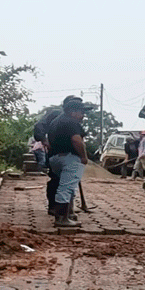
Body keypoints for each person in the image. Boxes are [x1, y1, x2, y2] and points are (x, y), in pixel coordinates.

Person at [47, 97, 90, 227]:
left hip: (55, 158)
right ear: (72, 111)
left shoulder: (55, 122)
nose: (82, 116)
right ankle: (62, 218)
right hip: (70, 158)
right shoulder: (72, 123)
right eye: (81, 112)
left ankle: (68, 213)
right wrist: (83, 156)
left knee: (65, 186)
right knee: (67, 188)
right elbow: (77, 140)